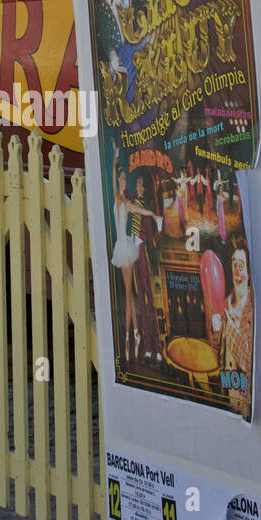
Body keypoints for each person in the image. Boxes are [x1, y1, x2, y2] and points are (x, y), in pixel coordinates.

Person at [111, 151, 160, 365]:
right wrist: (116, 158)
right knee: (136, 296)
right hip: (130, 249)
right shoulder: (126, 198)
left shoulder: (137, 203)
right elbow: (117, 181)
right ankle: (140, 340)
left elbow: (149, 220)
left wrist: (156, 217)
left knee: (145, 296)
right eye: (136, 183)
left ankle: (150, 344)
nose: (138, 187)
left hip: (139, 252)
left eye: (142, 185)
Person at [221, 240, 254, 418]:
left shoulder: (253, 308)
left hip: (249, 406)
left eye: (241, 266)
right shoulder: (224, 305)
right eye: (234, 264)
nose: (237, 272)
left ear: (248, 273)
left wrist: (231, 327)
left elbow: (248, 361)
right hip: (229, 400)